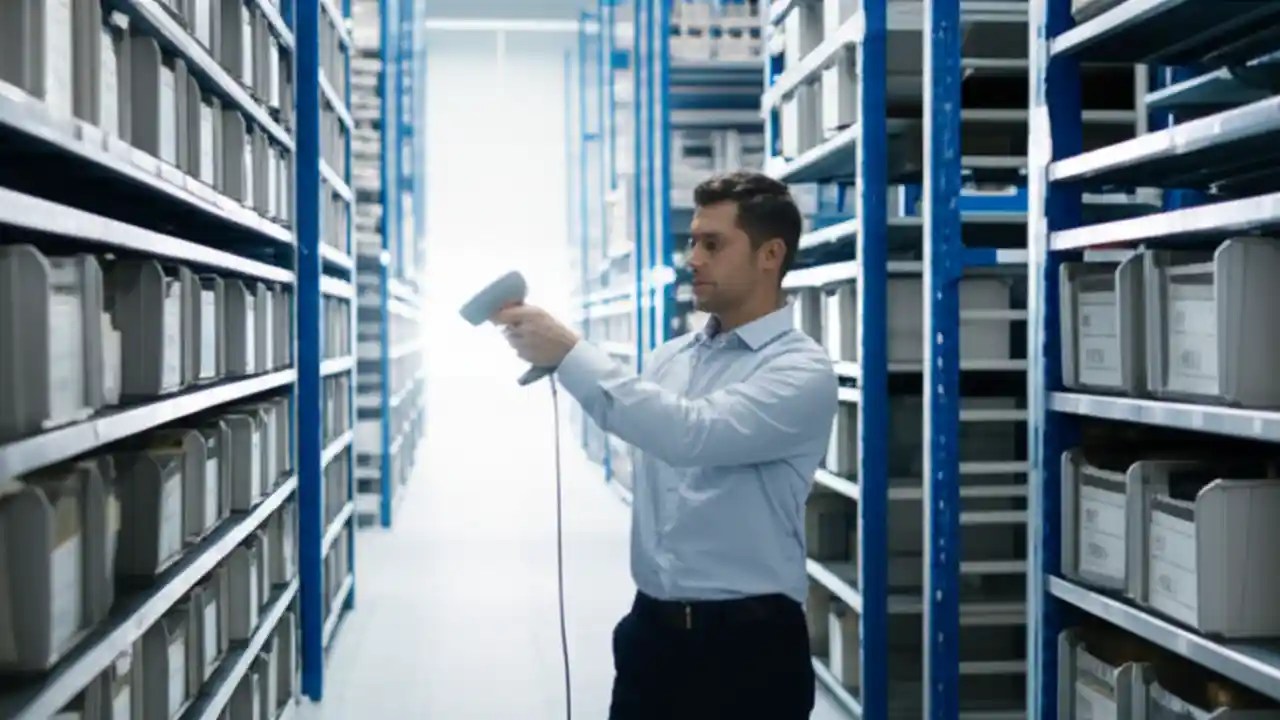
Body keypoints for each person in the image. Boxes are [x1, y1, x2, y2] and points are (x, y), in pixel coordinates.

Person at [494, 170, 838, 719]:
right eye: (692, 241)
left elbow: (690, 434)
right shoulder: (671, 356)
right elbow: (643, 421)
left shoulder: (801, 370)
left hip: (749, 647)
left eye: (713, 244)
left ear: (770, 255)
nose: (692, 258)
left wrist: (570, 352)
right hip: (651, 634)